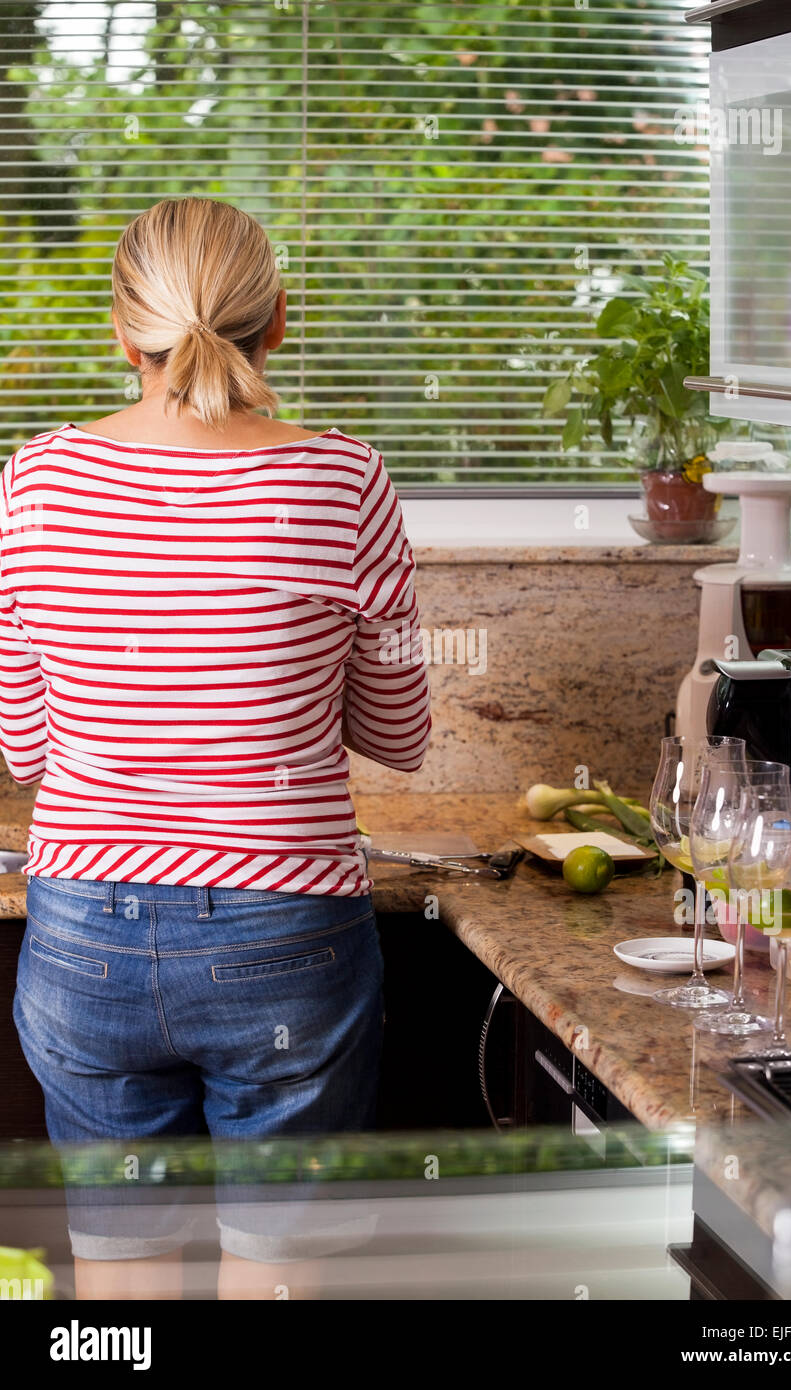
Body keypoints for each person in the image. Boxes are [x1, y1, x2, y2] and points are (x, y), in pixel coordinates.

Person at [0, 196, 431, 1299]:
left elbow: (27, 749)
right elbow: (400, 734)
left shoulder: (36, 482)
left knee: (121, 1276)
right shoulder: (345, 481)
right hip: (285, 932)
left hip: (83, 936)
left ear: (122, 330)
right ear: (277, 318)